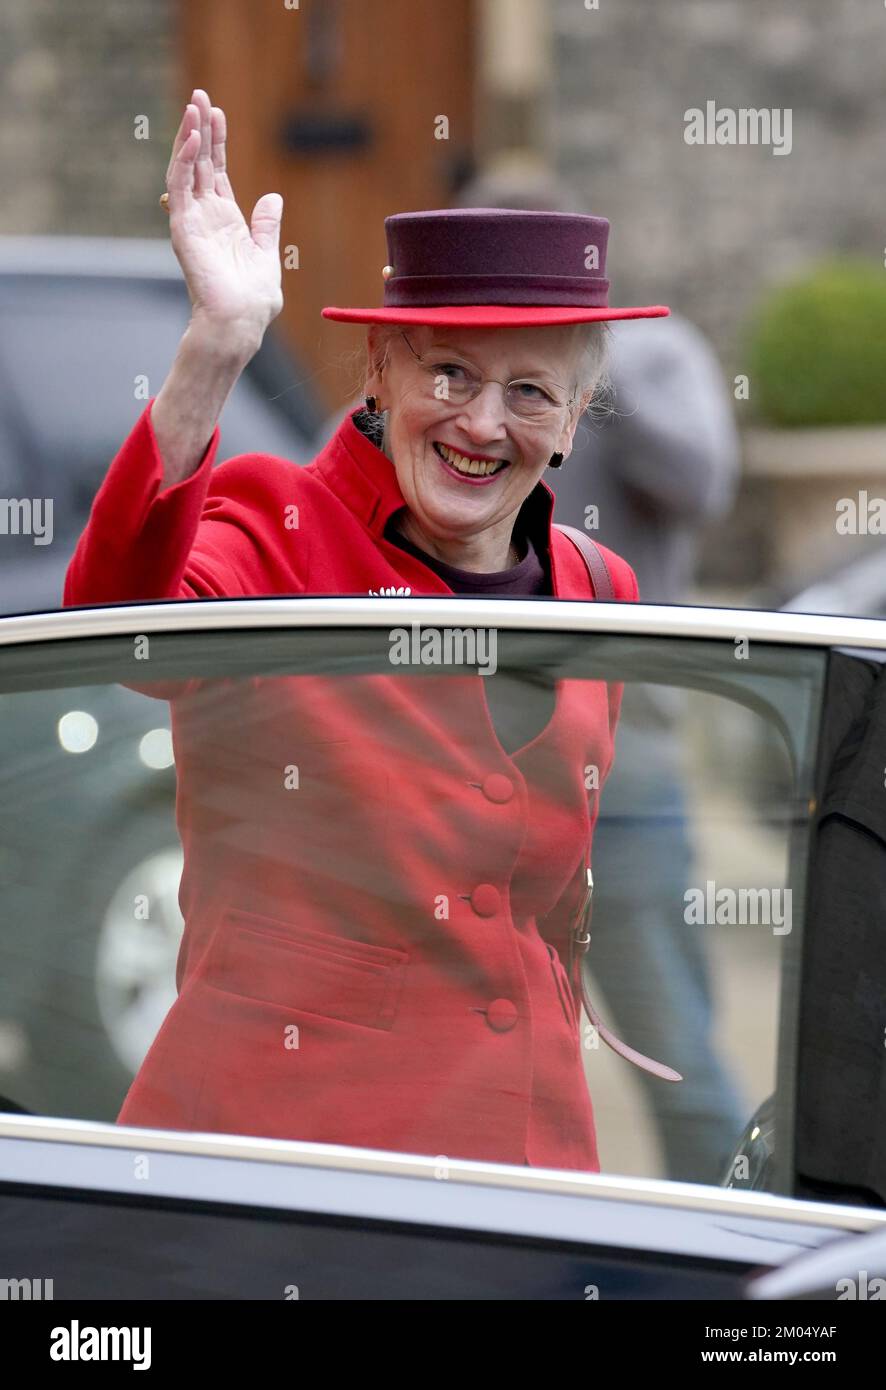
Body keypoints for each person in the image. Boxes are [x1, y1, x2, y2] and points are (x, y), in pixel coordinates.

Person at [63, 89, 673, 1172]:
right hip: (281, 1169)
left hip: (522, 1168)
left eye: (532, 392)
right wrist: (215, 351)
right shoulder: (275, 525)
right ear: (382, 373)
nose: (483, 423)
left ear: (576, 421)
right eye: (450, 372)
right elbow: (114, 628)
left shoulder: (598, 587)